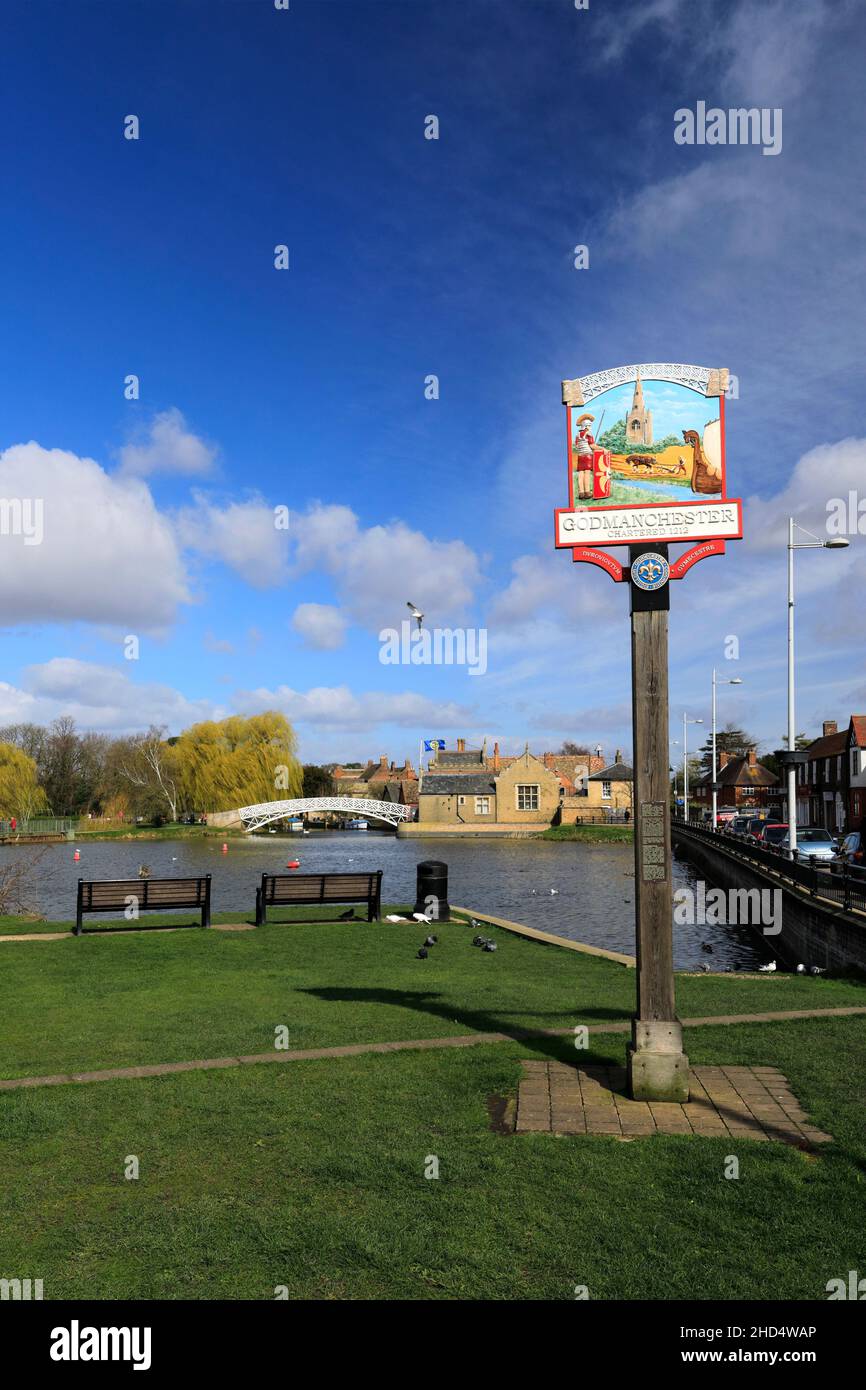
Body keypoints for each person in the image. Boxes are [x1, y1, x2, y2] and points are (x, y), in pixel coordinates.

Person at [574, 413, 596, 500]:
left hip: (580, 456)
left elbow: (577, 446)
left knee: (580, 474)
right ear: (586, 426)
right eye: (589, 425)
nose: (590, 427)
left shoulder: (577, 435)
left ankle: (581, 493)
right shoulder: (588, 434)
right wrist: (602, 448)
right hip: (587, 456)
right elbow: (592, 446)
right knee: (587, 474)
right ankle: (587, 492)